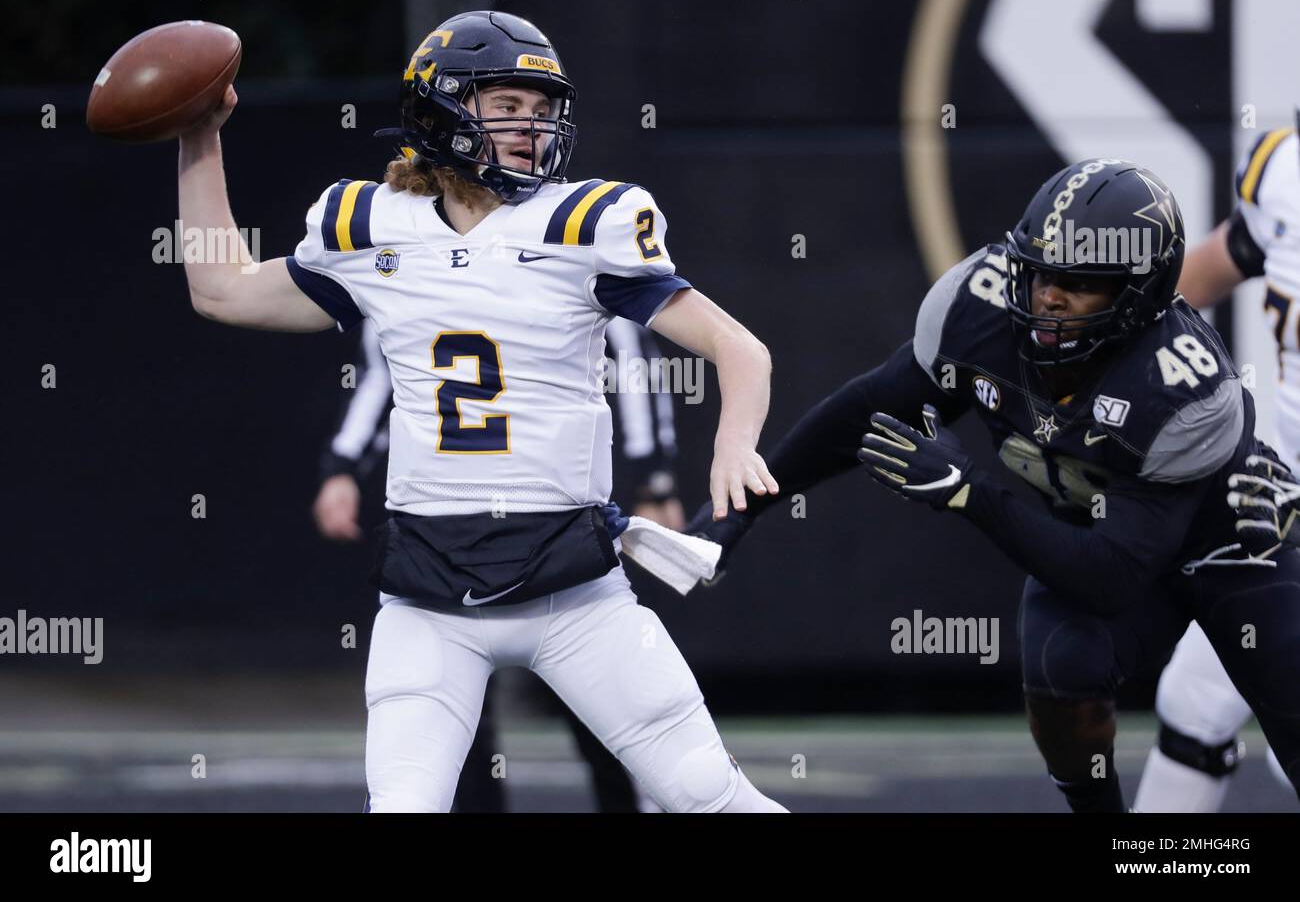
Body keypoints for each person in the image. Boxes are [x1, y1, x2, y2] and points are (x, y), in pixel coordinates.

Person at [176, 9, 784, 813]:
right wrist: (197, 137)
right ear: (441, 110)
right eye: (508, 108)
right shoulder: (368, 225)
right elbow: (222, 290)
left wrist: (732, 446)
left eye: (542, 110)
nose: (531, 128)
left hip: (577, 592)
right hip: (429, 600)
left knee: (708, 795)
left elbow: (741, 350)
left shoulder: (586, 222)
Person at [690, 158, 1300, 811]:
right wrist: (742, 506)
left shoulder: (1185, 389)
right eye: (1039, 273)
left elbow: (1112, 576)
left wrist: (968, 492)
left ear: (1137, 296)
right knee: (1060, 664)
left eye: (1075, 283)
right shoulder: (980, 310)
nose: (1047, 297)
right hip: (1096, 526)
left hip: (1229, 551)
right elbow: (870, 408)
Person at [312, 318, 684, 811]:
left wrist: (651, 477)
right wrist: (343, 465)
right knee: (451, 712)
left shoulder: (561, 248)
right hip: (448, 526)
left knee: (600, 698)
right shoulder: (403, 257)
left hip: (559, 519)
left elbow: (628, 348)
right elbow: (385, 363)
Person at [1130, 126, 1300, 811]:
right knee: (1196, 699)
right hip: (1277, 507)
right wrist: (1113, 322)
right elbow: (1215, 263)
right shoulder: (1285, 172)